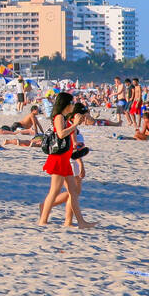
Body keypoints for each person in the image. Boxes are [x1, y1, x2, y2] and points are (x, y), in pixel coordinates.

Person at [37, 92, 95, 228]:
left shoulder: (64, 117)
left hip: (65, 159)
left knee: (73, 192)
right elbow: (61, 134)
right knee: (54, 191)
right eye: (71, 103)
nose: (72, 105)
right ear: (65, 104)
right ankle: (43, 220)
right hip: (58, 159)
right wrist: (74, 125)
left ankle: (81, 222)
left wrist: (77, 121)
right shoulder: (58, 117)